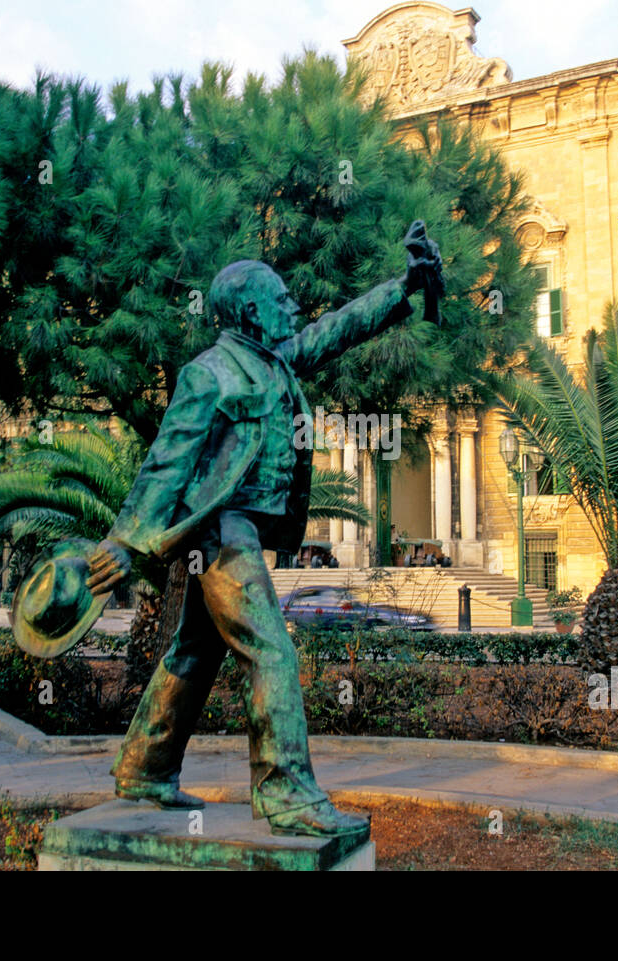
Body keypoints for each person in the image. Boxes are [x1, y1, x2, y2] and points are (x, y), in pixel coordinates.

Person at [85, 222, 443, 840]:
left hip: (243, 527)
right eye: (280, 299)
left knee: (195, 651)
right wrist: (124, 539)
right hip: (217, 532)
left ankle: (144, 768)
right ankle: (287, 793)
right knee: (271, 649)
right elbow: (167, 463)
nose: (293, 306)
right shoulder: (210, 374)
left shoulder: (276, 363)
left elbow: (338, 328)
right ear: (250, 310)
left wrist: (404, 287)